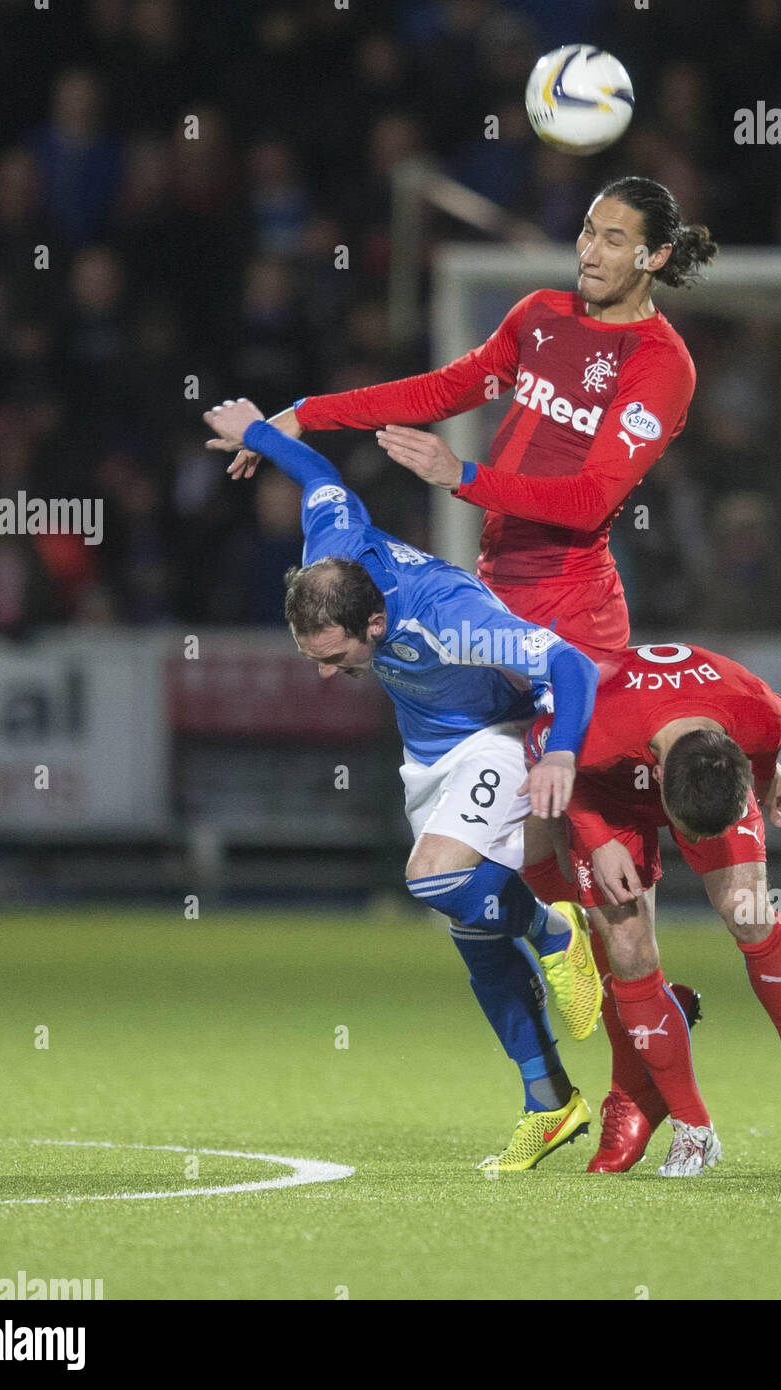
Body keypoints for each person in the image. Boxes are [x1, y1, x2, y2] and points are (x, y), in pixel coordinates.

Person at [224, 173, 717, 1042]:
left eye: (612, 239)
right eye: (588, 231)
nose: (590, 251)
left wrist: (464, 478)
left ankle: (647, 1017)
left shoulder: (660, 364)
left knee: (590, 834)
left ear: (656, 257)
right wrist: (304, 415)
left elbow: (593, 498)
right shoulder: (539, 316)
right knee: (524, 846)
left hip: (575, 605)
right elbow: (440, 389)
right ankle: (630, 1004)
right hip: (501, 588)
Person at [203, 397, 603, 1171]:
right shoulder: (333, 550)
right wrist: (257, 432)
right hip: (429, 756)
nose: (324, 674)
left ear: (377, 626)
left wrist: (562, 755)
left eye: (334, 657)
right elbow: (318, 471)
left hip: (497, 735)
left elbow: (571, 664)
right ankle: (549, 1101)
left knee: (433, 878)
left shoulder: (451, 618)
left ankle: (556, 932)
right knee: (473, 930)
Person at [526, 640, 781, 1178]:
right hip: (608, 791)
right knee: (627, 951)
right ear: (661, 779)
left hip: (699, 753)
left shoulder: (763, 714)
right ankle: (694, 1128)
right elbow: (547, 754)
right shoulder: (597, 721)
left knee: (747, 907)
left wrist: (765, 785)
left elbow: (764, 756)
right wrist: (599, 841)